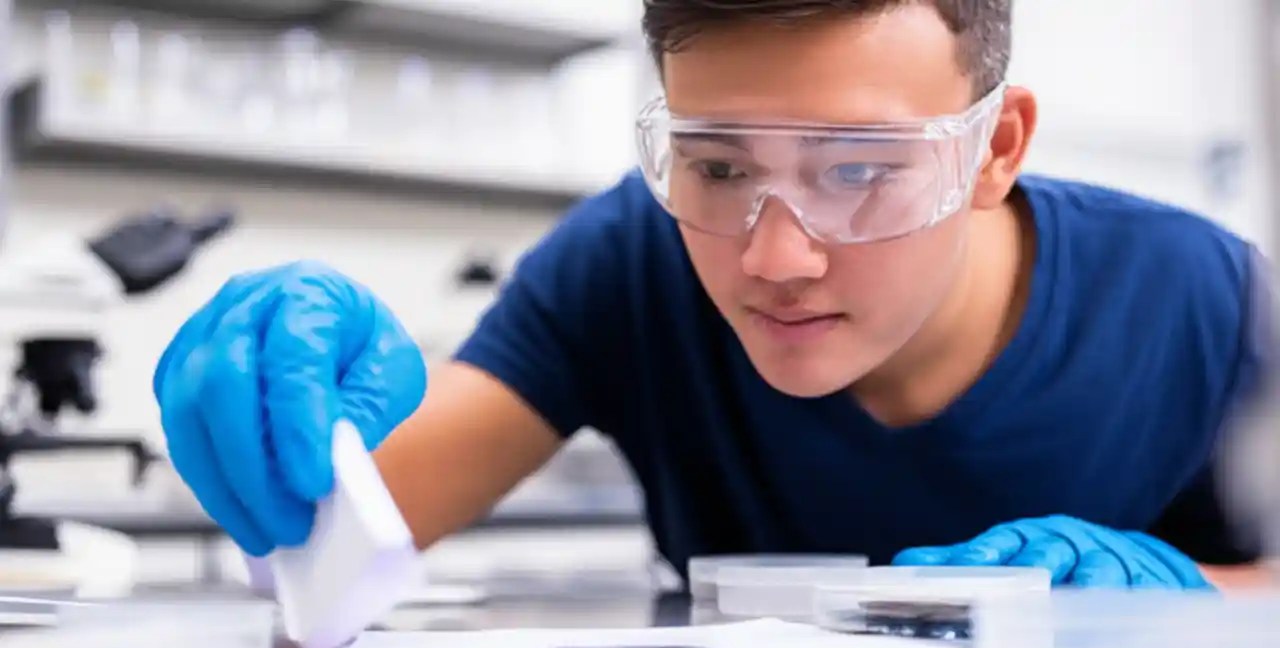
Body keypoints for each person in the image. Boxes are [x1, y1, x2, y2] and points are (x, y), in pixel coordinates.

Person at [153, 0, 1274, 590]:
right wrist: (293, 422)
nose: (774, 257)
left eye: (856, 171)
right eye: (719, 168)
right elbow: (346, 521)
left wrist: (1189, 594)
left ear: (994, 149)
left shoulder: (1202, 298)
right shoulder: (627, 260)